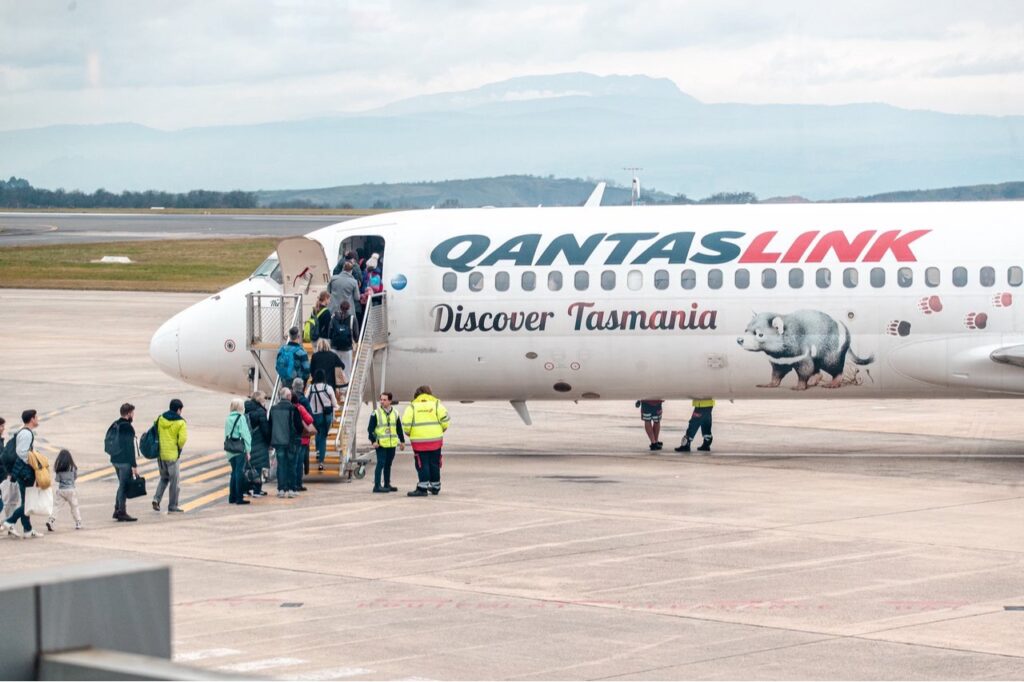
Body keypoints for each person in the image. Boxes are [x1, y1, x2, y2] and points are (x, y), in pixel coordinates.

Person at [402, 386, 450, 497]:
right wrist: (442, 429)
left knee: (422, 464)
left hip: (419, 441)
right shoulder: (437, 404)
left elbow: (406, 423)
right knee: (435, 463)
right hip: (436, 440)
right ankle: (435, 486)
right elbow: (445, 420)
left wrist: (409, 433)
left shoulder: (412, 406)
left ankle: (422, 488)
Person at [2, 409, 43, 538]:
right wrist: (34, 461)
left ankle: (28, 529)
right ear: (32, 419)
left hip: (21, 471)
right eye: (36, 417)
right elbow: (22, 452)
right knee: (29, 503)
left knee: (27, 500)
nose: (38, 419)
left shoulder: (24, 432)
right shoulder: (27, 434)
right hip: (25, 471)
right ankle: (10, 521)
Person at [153, 399, 187, 513]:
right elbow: (182, 439)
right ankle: (172, 505)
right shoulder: (181, 422)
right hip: (172, 456)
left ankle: (156, 499)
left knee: (164, 478)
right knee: (174, 482)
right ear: (178, 410)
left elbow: (155, 429)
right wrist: (178, 448)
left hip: (161, 455)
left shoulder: (160, 418)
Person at [368, 392, 405, 493]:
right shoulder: (376, 413)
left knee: (388, 464)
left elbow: (399, 428)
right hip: (381, 444)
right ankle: (377, 485)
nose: (382, 401)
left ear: (390, 401)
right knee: (381, 463)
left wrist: (402, 441)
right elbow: (370, 429)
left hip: (392, 444)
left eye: (384, 400)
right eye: (381, 399)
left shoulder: (395, 413)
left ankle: (387, 484)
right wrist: (373, 441)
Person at [269, 387, 302, 498]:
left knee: (281, 466)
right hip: (291, 441)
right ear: (288, 397)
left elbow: (270, 425)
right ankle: (292, 488)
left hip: (278, 442)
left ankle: (281, 489)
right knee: (292, 465)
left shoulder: (273, 409)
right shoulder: (293, 409)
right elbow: (299, 426)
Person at [109, 402, 138, 522]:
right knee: (123, 486)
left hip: (115, 460)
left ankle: (117, 509)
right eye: (133, 413)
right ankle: (121, 511)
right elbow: (130, 448)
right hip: (124, 462)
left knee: (121, 484)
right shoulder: (127, 427)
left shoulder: (114, 424)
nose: (134, 415)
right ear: (128, 414)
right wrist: (134, 465)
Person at [308, 369, 339, 471]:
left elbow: (305, 400)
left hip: (314, 415)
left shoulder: (310, 388)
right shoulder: (328, 388)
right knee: (323, 437)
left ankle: (317, 451)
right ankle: (321, 462)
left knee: (317, 433)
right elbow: (334, 404)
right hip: (326, 415)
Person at [225, 398, 252, 505]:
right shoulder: (241, 418)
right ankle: (239, 498)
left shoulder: (228, 418)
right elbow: (246, 435)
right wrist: (248, 450)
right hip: (240, 449)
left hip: (230, 449)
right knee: (239, 473)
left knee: (234, 473)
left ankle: (232, 497)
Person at [47, 449, 82, 531]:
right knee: (74, 507)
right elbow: (75, 477)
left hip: (61, 490)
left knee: (56, 507)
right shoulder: (73, 467)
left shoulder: (59, 468)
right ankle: (78, 522)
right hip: (71, 490)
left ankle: (51, 520)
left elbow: (57, 479)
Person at [245, 391, 271, 497]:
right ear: (260, 399)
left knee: (248, 466)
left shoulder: (246, 409)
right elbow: (265, 429)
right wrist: (269, 441)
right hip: (259, 441)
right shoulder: (261, 411)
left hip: (248, 440)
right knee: (259, 467)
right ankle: (257, 490)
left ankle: (246, 489)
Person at [291, 380, 314, 490]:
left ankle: (291, 484)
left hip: (289, 437)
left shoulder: (287, 401)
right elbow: (310, 418)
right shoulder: (303, 402)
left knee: (292, 462)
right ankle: (298, 484)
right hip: (302, 437)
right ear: (303, 387)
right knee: (299, 462)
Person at [310, 338, 345, 402]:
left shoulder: (314, 356)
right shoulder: (333, 355)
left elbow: (312, 371)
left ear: (318, 346)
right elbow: (342, 366)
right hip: (330, 384)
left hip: (317, 384)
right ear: (328, 345)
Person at [329, 301, 357, 377]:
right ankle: (346, 387)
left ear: (340, 307)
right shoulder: (352, 318)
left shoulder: (333, 317)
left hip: (334, 347)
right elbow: (356, 335)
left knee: (334, 371)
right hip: (347, 348)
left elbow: (329, 333)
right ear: (349, 308)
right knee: (347, 371)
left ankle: (335, 387)